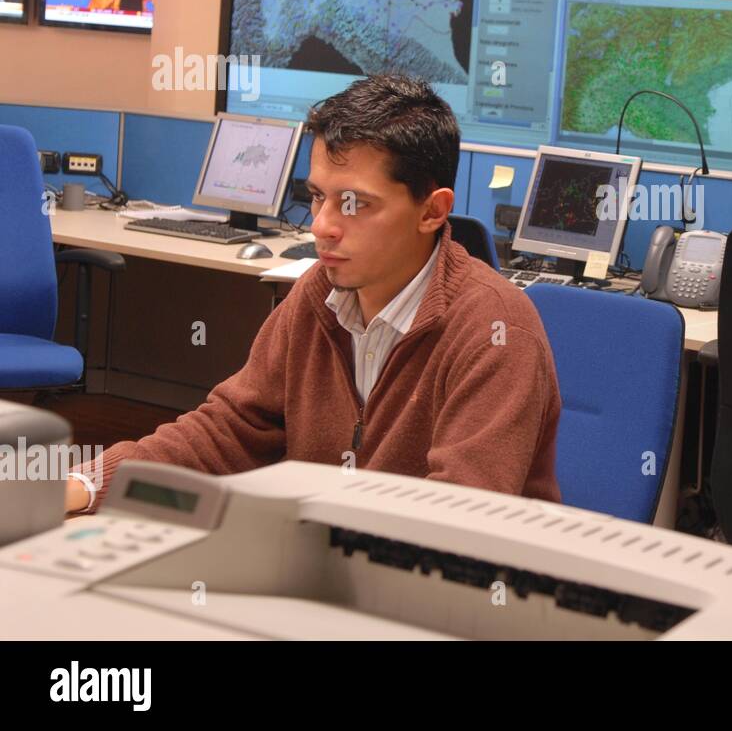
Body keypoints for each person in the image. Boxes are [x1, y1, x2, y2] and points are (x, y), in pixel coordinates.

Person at [65, 74, 562, 513]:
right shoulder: (318, 295)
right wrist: (84, 484)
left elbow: (458, 523)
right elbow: (229, 430)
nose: (323, 227)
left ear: (432, 212)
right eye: (318, 197)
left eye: (354, 204)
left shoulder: (495, 332)